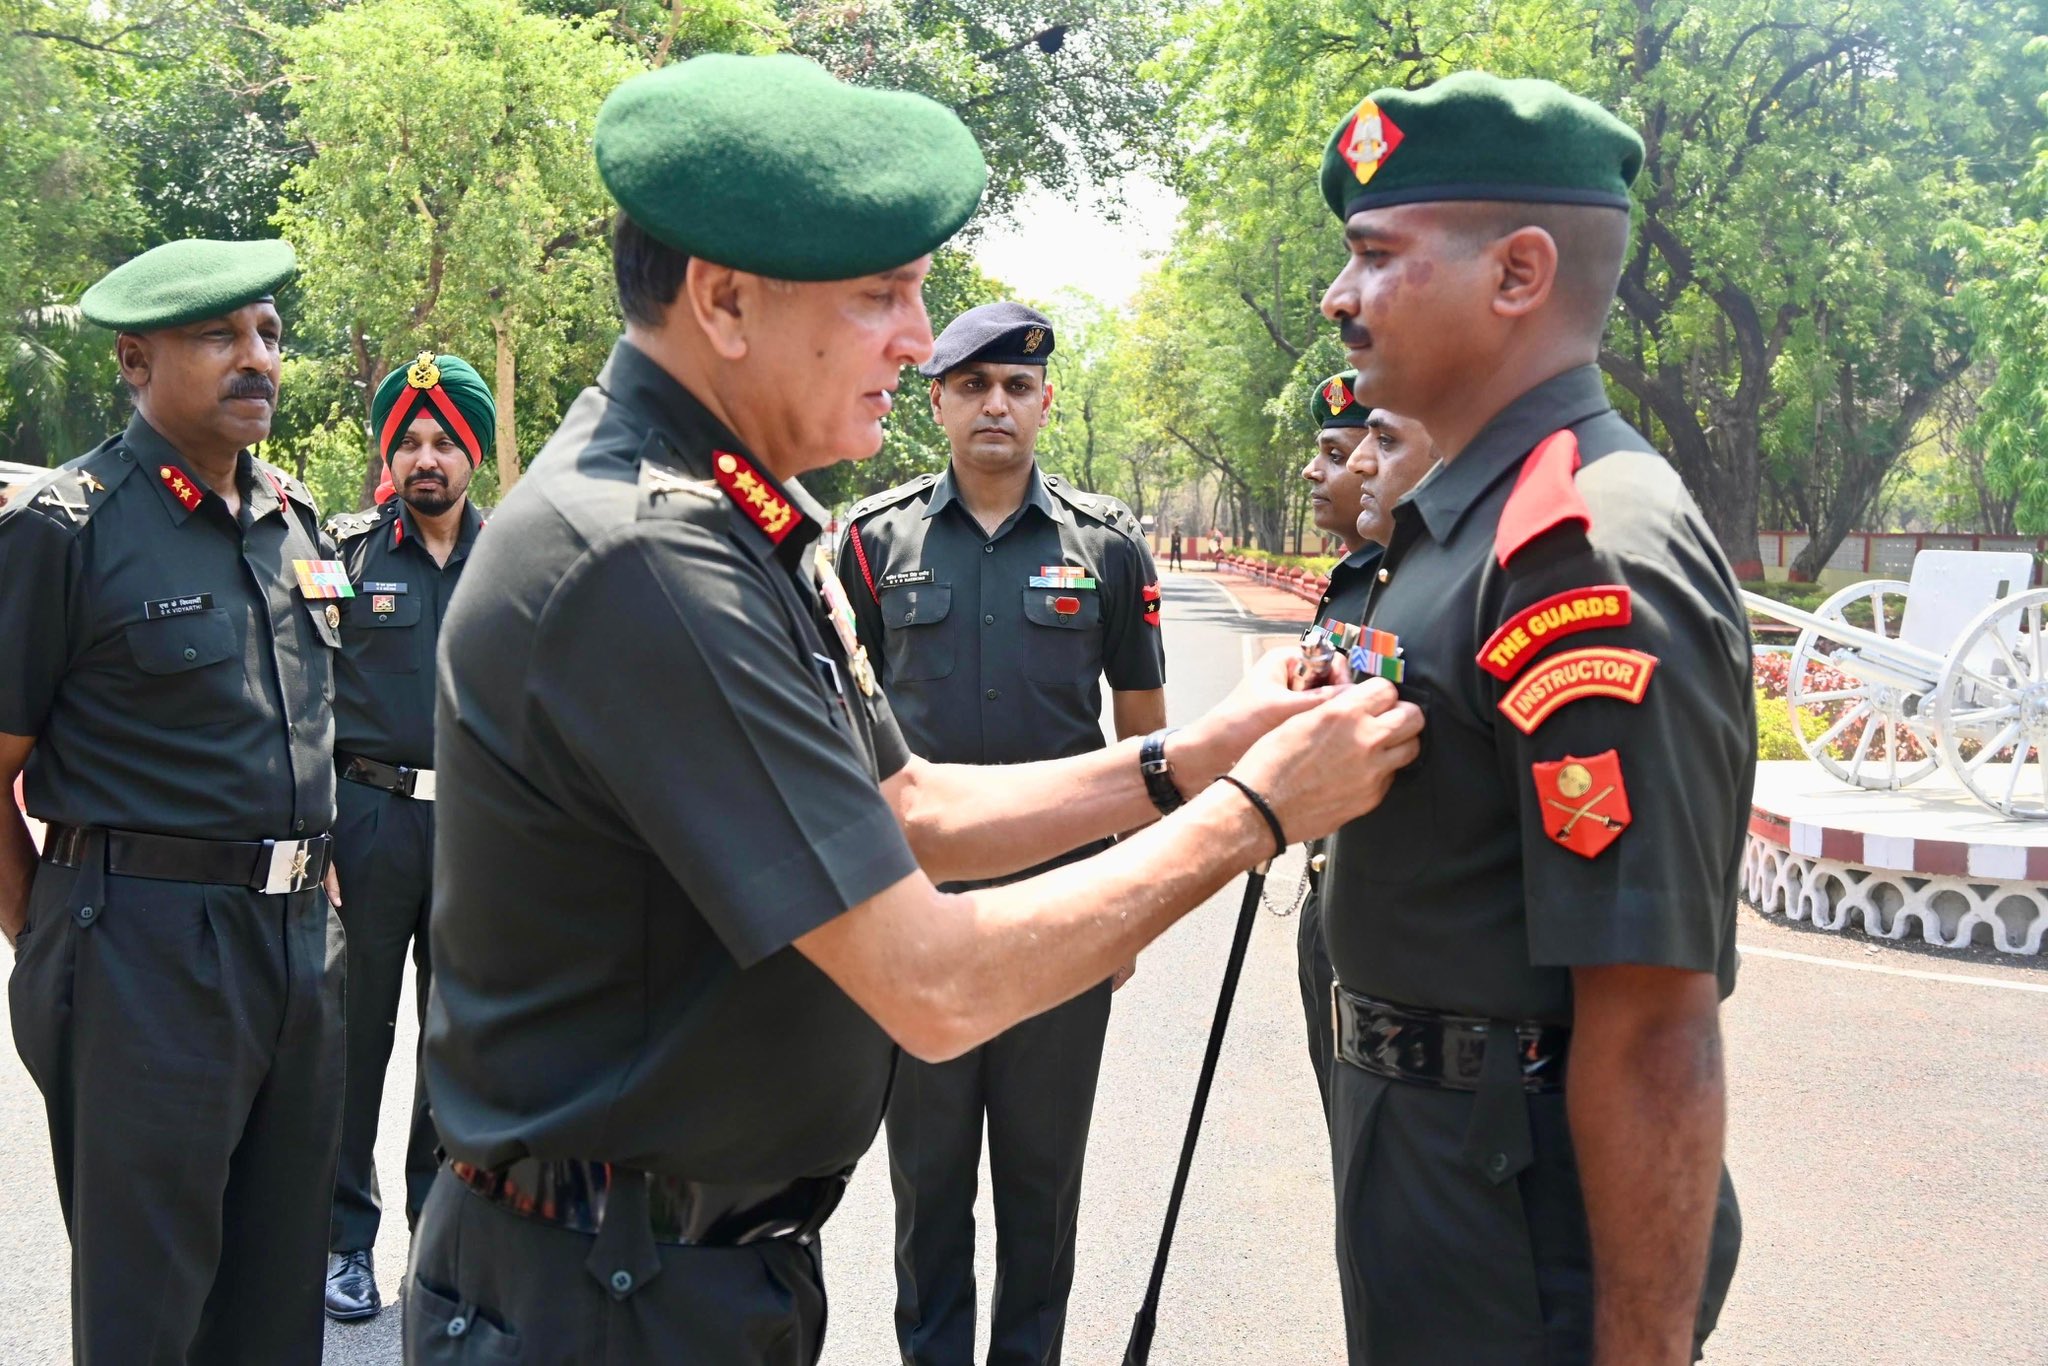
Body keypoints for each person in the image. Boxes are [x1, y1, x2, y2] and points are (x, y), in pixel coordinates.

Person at [407, 52, 1423, 1363]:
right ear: (722, 300)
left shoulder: (737, 519)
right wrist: (1258, 812)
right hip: (601, 1298)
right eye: (883, 292)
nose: (914, 336)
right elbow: (932, 984)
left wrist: (1200, 749)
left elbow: (907, 805)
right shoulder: (643, 557)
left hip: (669, 1272)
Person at [1312, 72, 1750, 1364]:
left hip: (1509, 1203)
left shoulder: (1582, 550)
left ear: (1517, 275)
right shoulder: (1469, 517)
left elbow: (1654, 1012)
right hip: (1430, 1158)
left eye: (1376, 257)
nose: (1341, 298)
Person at [0, 238, 346, 1365]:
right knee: (150, 1315)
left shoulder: (295, 523)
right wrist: (51, 928)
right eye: (219, 336)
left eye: (268, 334)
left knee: (271, 1305)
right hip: (140, 951)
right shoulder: (67, 529)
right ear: (135, 362)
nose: (258, 359)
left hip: (296, 947)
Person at [837, 301, 1163, 1366]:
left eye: (1016, 386)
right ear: (935, 400)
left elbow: (1145, 741)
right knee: (927, 1185)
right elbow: (841, 736)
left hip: (1060, 918)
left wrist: (1126, 909)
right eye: (972, 385)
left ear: (1044, 402)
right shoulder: (871, 543)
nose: (995, 404)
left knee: (1040, 1182)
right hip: (917, 918)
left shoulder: (1107, 549)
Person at [320, 352, 495, 1321]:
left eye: (440, 442)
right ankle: (345, 1237)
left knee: (454, 1038)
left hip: (472, 826)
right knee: (354, 1041)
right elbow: (299, 696)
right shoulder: (345, 557)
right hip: (367, 821)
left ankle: (436, 1234)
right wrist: (317, 831)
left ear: (468, 452)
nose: (423, 459)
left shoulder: (509, 556)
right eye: (407, 443)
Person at [1294, 373, 1436, 1115]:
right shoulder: (1354, 577)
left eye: (1360, 447)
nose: (1337, 470)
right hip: (1330, 894)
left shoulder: (1440, 580)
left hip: (1401, 927)